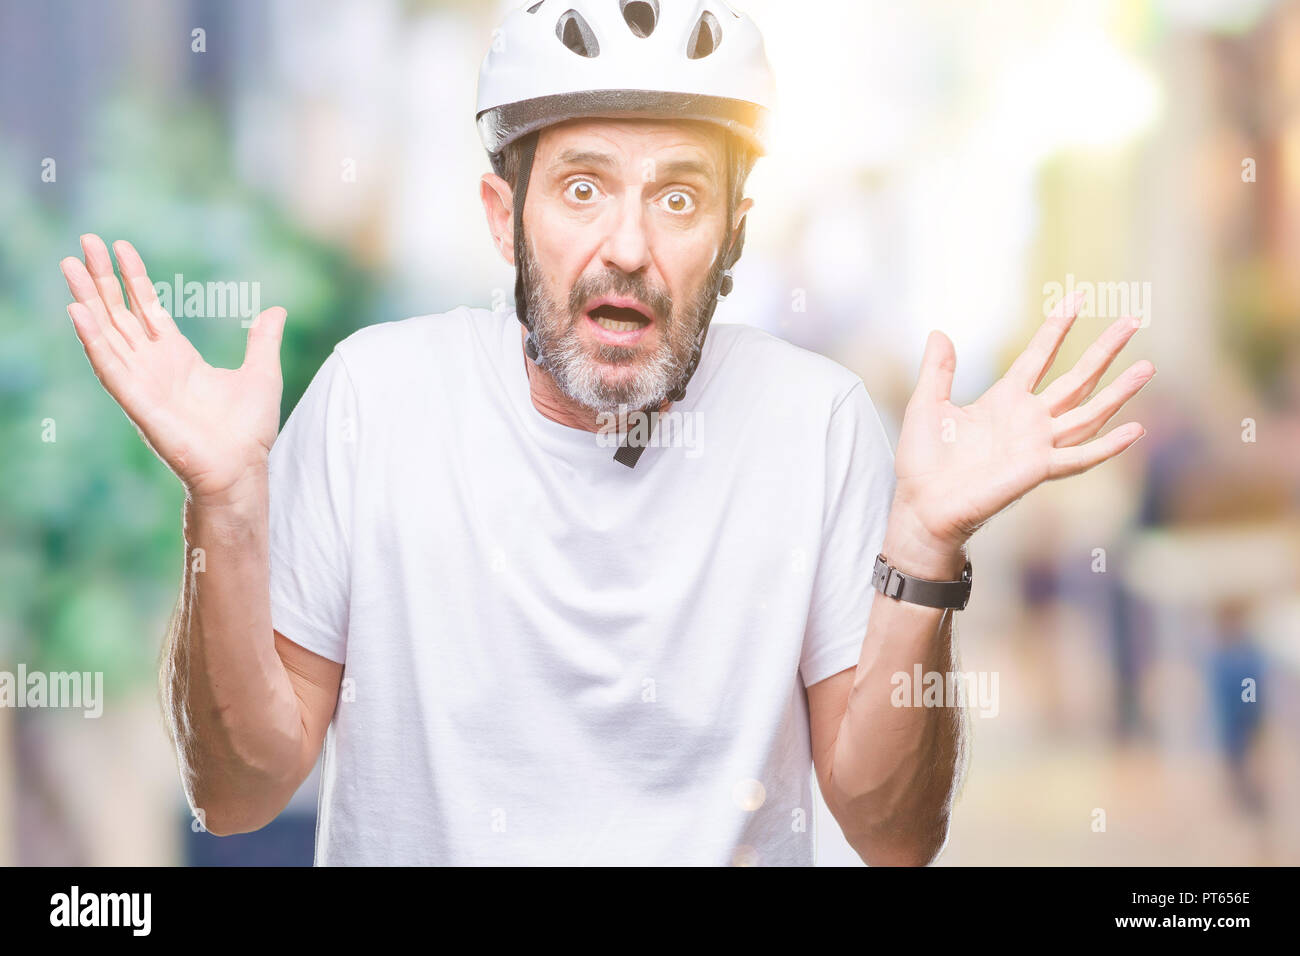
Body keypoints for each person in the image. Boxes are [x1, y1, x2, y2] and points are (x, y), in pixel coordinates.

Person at [58, 0, 1154, 866]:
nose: (627, 245)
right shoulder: (372, 401)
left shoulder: (814, 423)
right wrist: (223, 501)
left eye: (679, 199)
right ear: (505, 218)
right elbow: (237, 791)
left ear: (732, 230)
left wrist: (923, 546)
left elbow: (893, 832)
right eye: (582, 187)